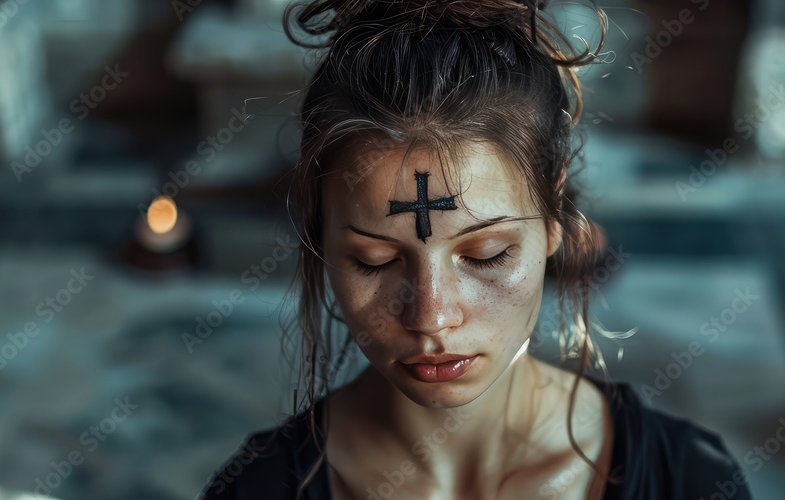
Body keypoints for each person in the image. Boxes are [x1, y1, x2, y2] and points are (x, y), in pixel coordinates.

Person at [201, 0, 753, 498]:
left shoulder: (690, 480)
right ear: (320, 236)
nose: (432, 317)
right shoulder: (255, 490)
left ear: (553, 211)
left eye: (486, 254)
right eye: (376, 260)